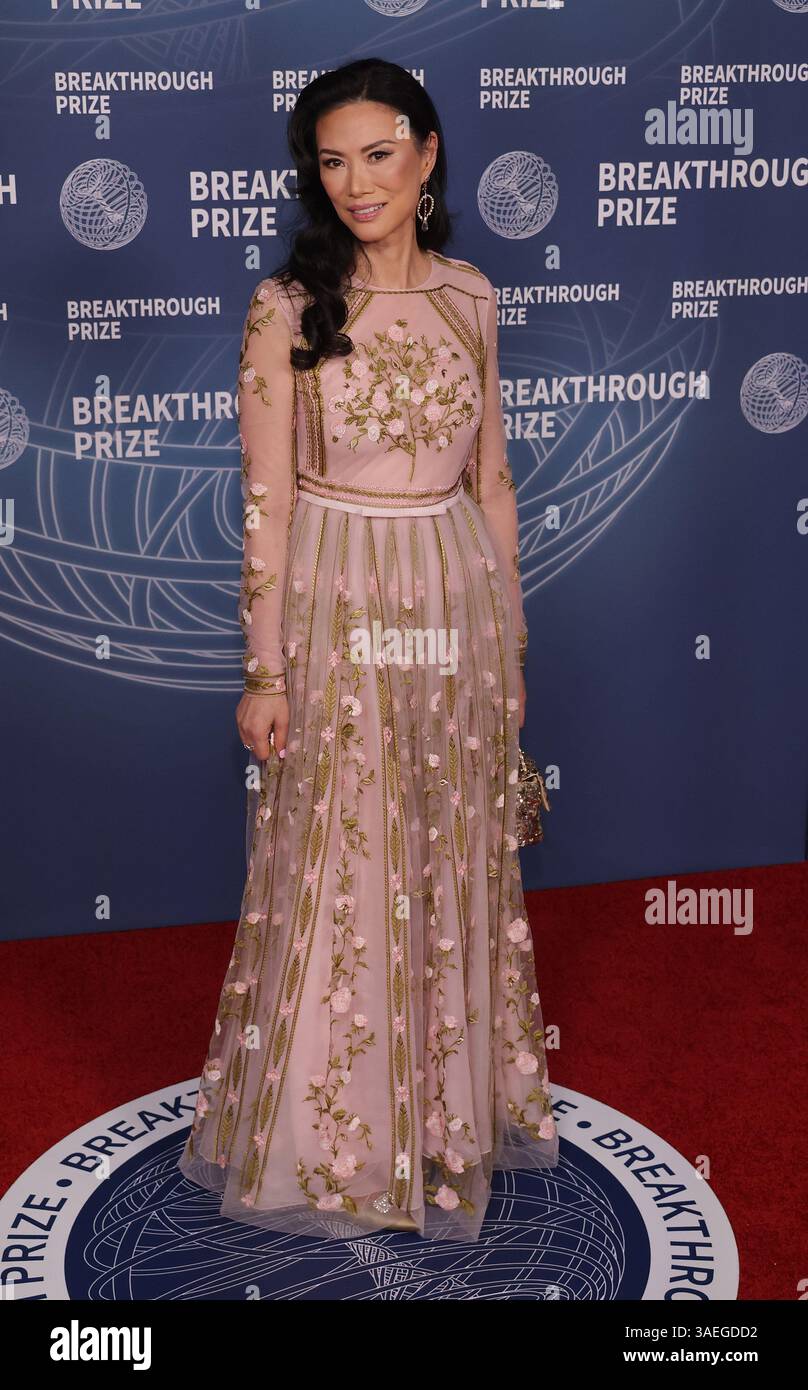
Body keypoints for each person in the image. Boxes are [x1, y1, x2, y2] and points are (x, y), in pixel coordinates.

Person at [178, 57, 559, 1242]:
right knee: (342, 848)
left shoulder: (474, 298)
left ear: (428, 154)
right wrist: (263, 669)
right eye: (332, 161)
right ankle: (335, 1136)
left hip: (455, 601)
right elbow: (266, 507)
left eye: (379, 154)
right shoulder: (286, 306)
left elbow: (492, 483)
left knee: (445, 846)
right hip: (337, 602)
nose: (356, 183)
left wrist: (513, 639)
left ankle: (445, 1110)